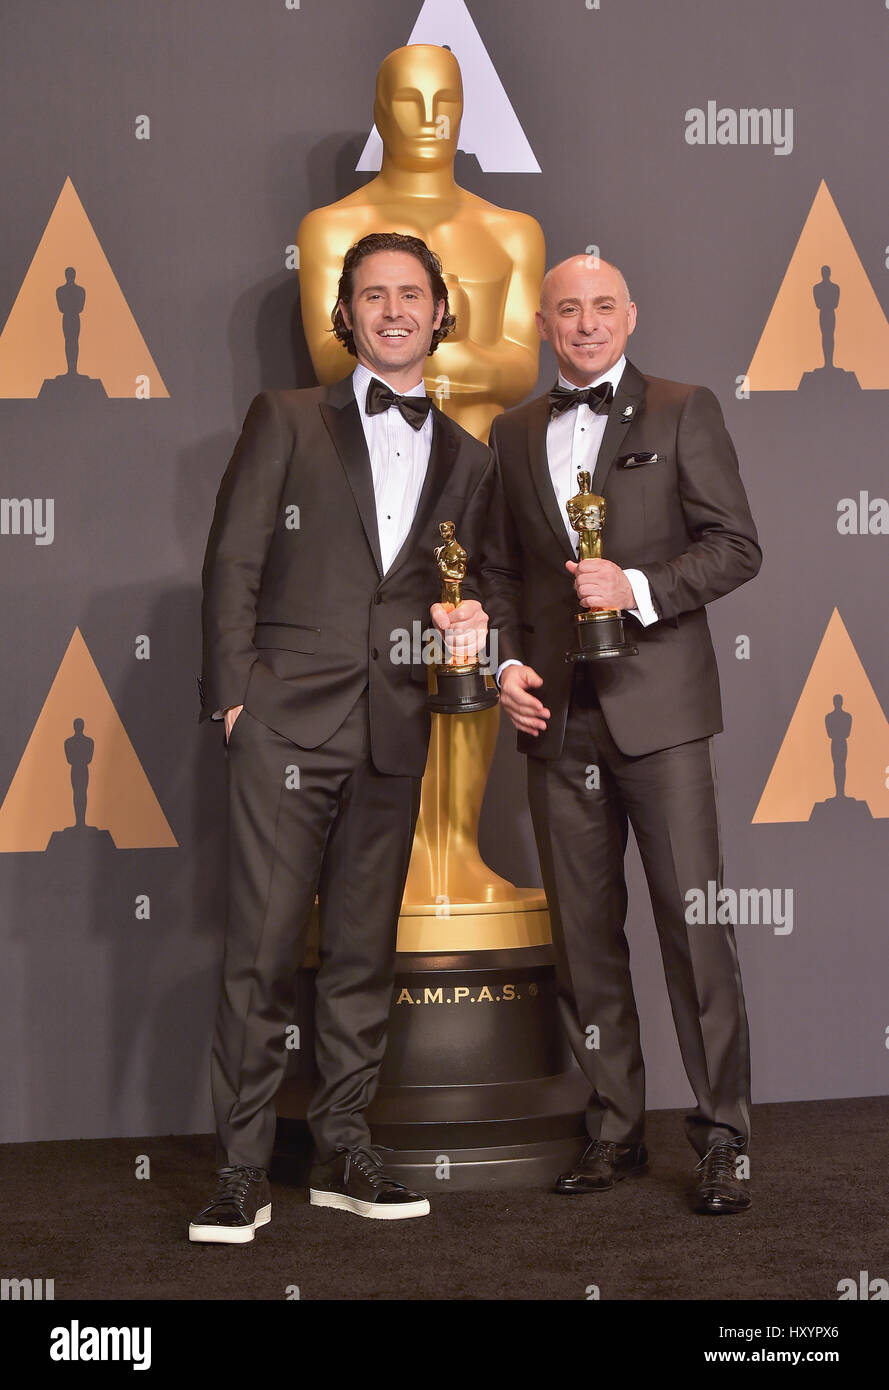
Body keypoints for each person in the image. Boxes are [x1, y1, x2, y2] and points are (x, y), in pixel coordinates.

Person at [192, 231, 491, 1242]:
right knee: (261, 953)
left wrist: (471, 626)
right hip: (284, 724)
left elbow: (466, 587)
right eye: (374, 295)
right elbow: (232, 559)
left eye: (412, 293)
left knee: (364, 955)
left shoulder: (469, 456)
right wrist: (237, 699)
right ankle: (237, 1171)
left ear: (440, 310)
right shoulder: (285, 417)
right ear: (347, 313)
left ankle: (343, 1148)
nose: (394, 310)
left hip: (393, 728)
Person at [482, 255, 761, 1214]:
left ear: (629, 315)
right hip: (556, 722)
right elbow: (500, 576)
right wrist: (504, 667)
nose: (586, 323)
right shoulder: (512, 431)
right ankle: (613, 1130)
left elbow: (736, 545)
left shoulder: (686, 408)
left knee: (694, 929)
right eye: (568, 308)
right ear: (543, 321)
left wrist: (636, 590)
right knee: (583, 939)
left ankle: (723, 1136)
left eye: (602, 306)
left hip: (663, 719)